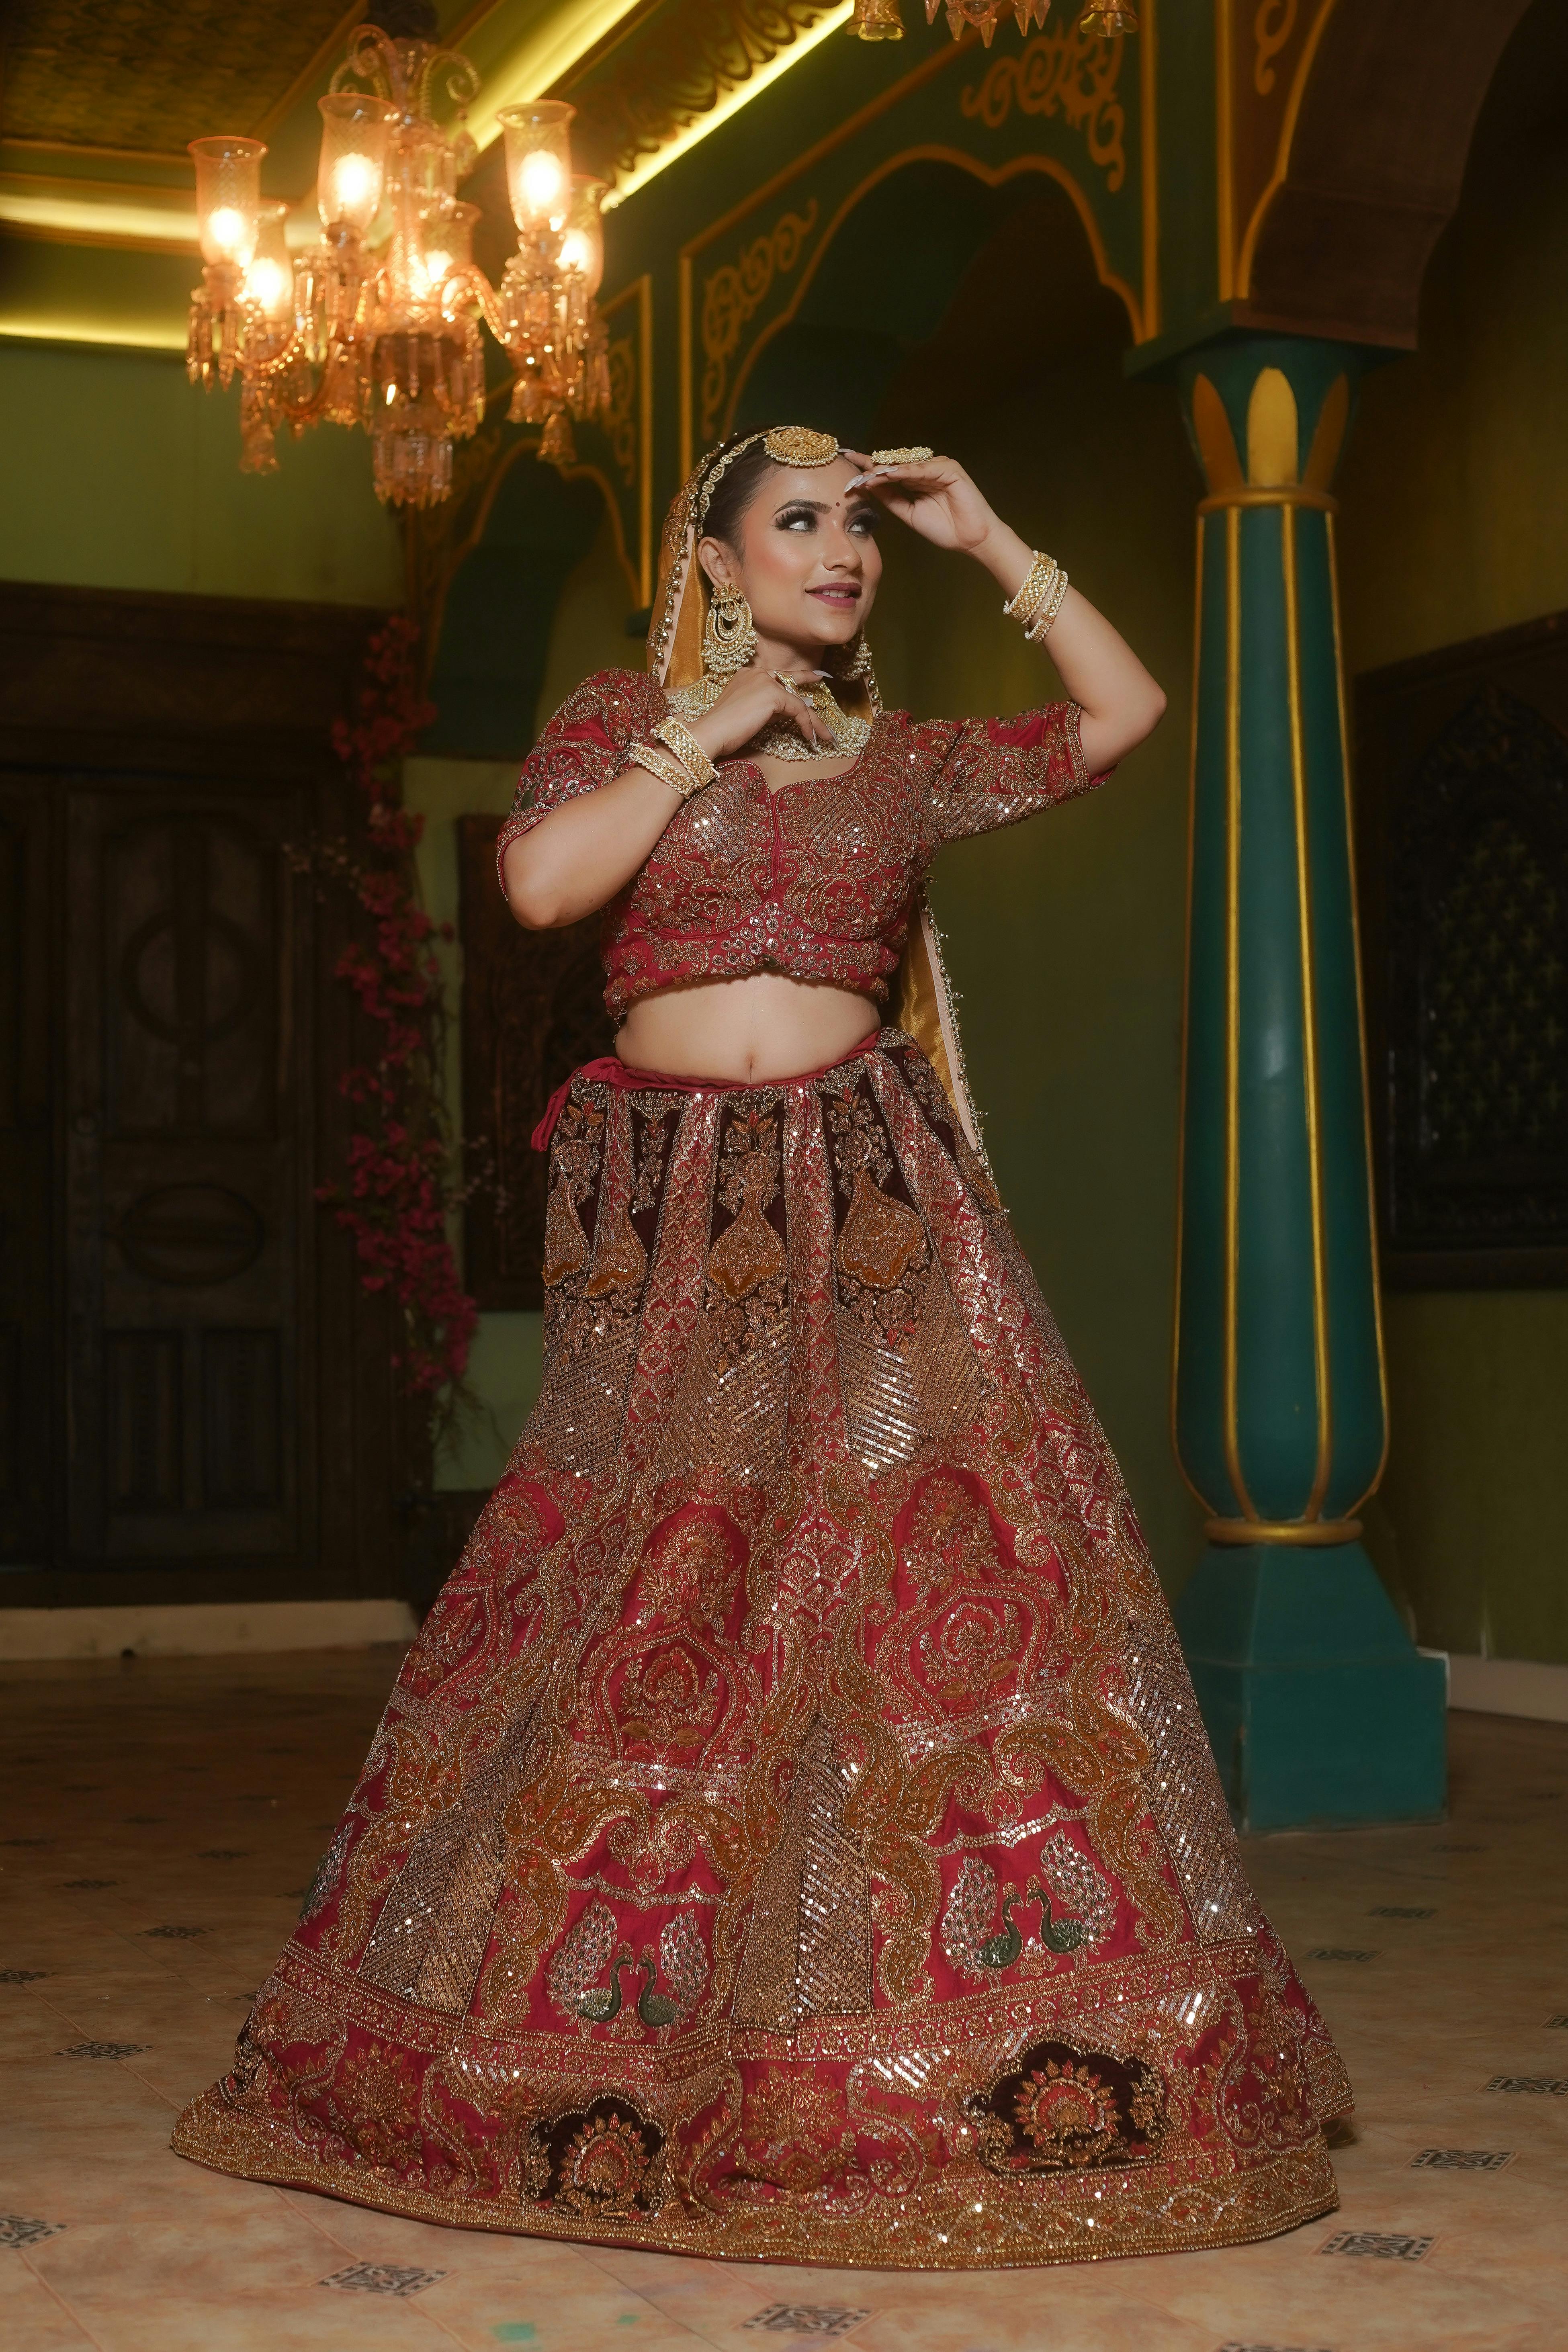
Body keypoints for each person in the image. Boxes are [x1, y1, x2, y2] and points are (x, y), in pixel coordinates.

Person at [175, 426, 1351, 2268]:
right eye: (801, 526)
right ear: (713, 560)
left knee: (903, 1586)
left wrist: (993, 534)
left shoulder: (903, 758)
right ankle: (597, 2028)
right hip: (672, 1224)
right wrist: (696, 737)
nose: (844, 555)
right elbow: (547, 891)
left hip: (875, 1203)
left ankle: (895, 2043)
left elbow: (1120, 715)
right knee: (643, 1585)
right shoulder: (616, 711)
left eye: (862, 533)